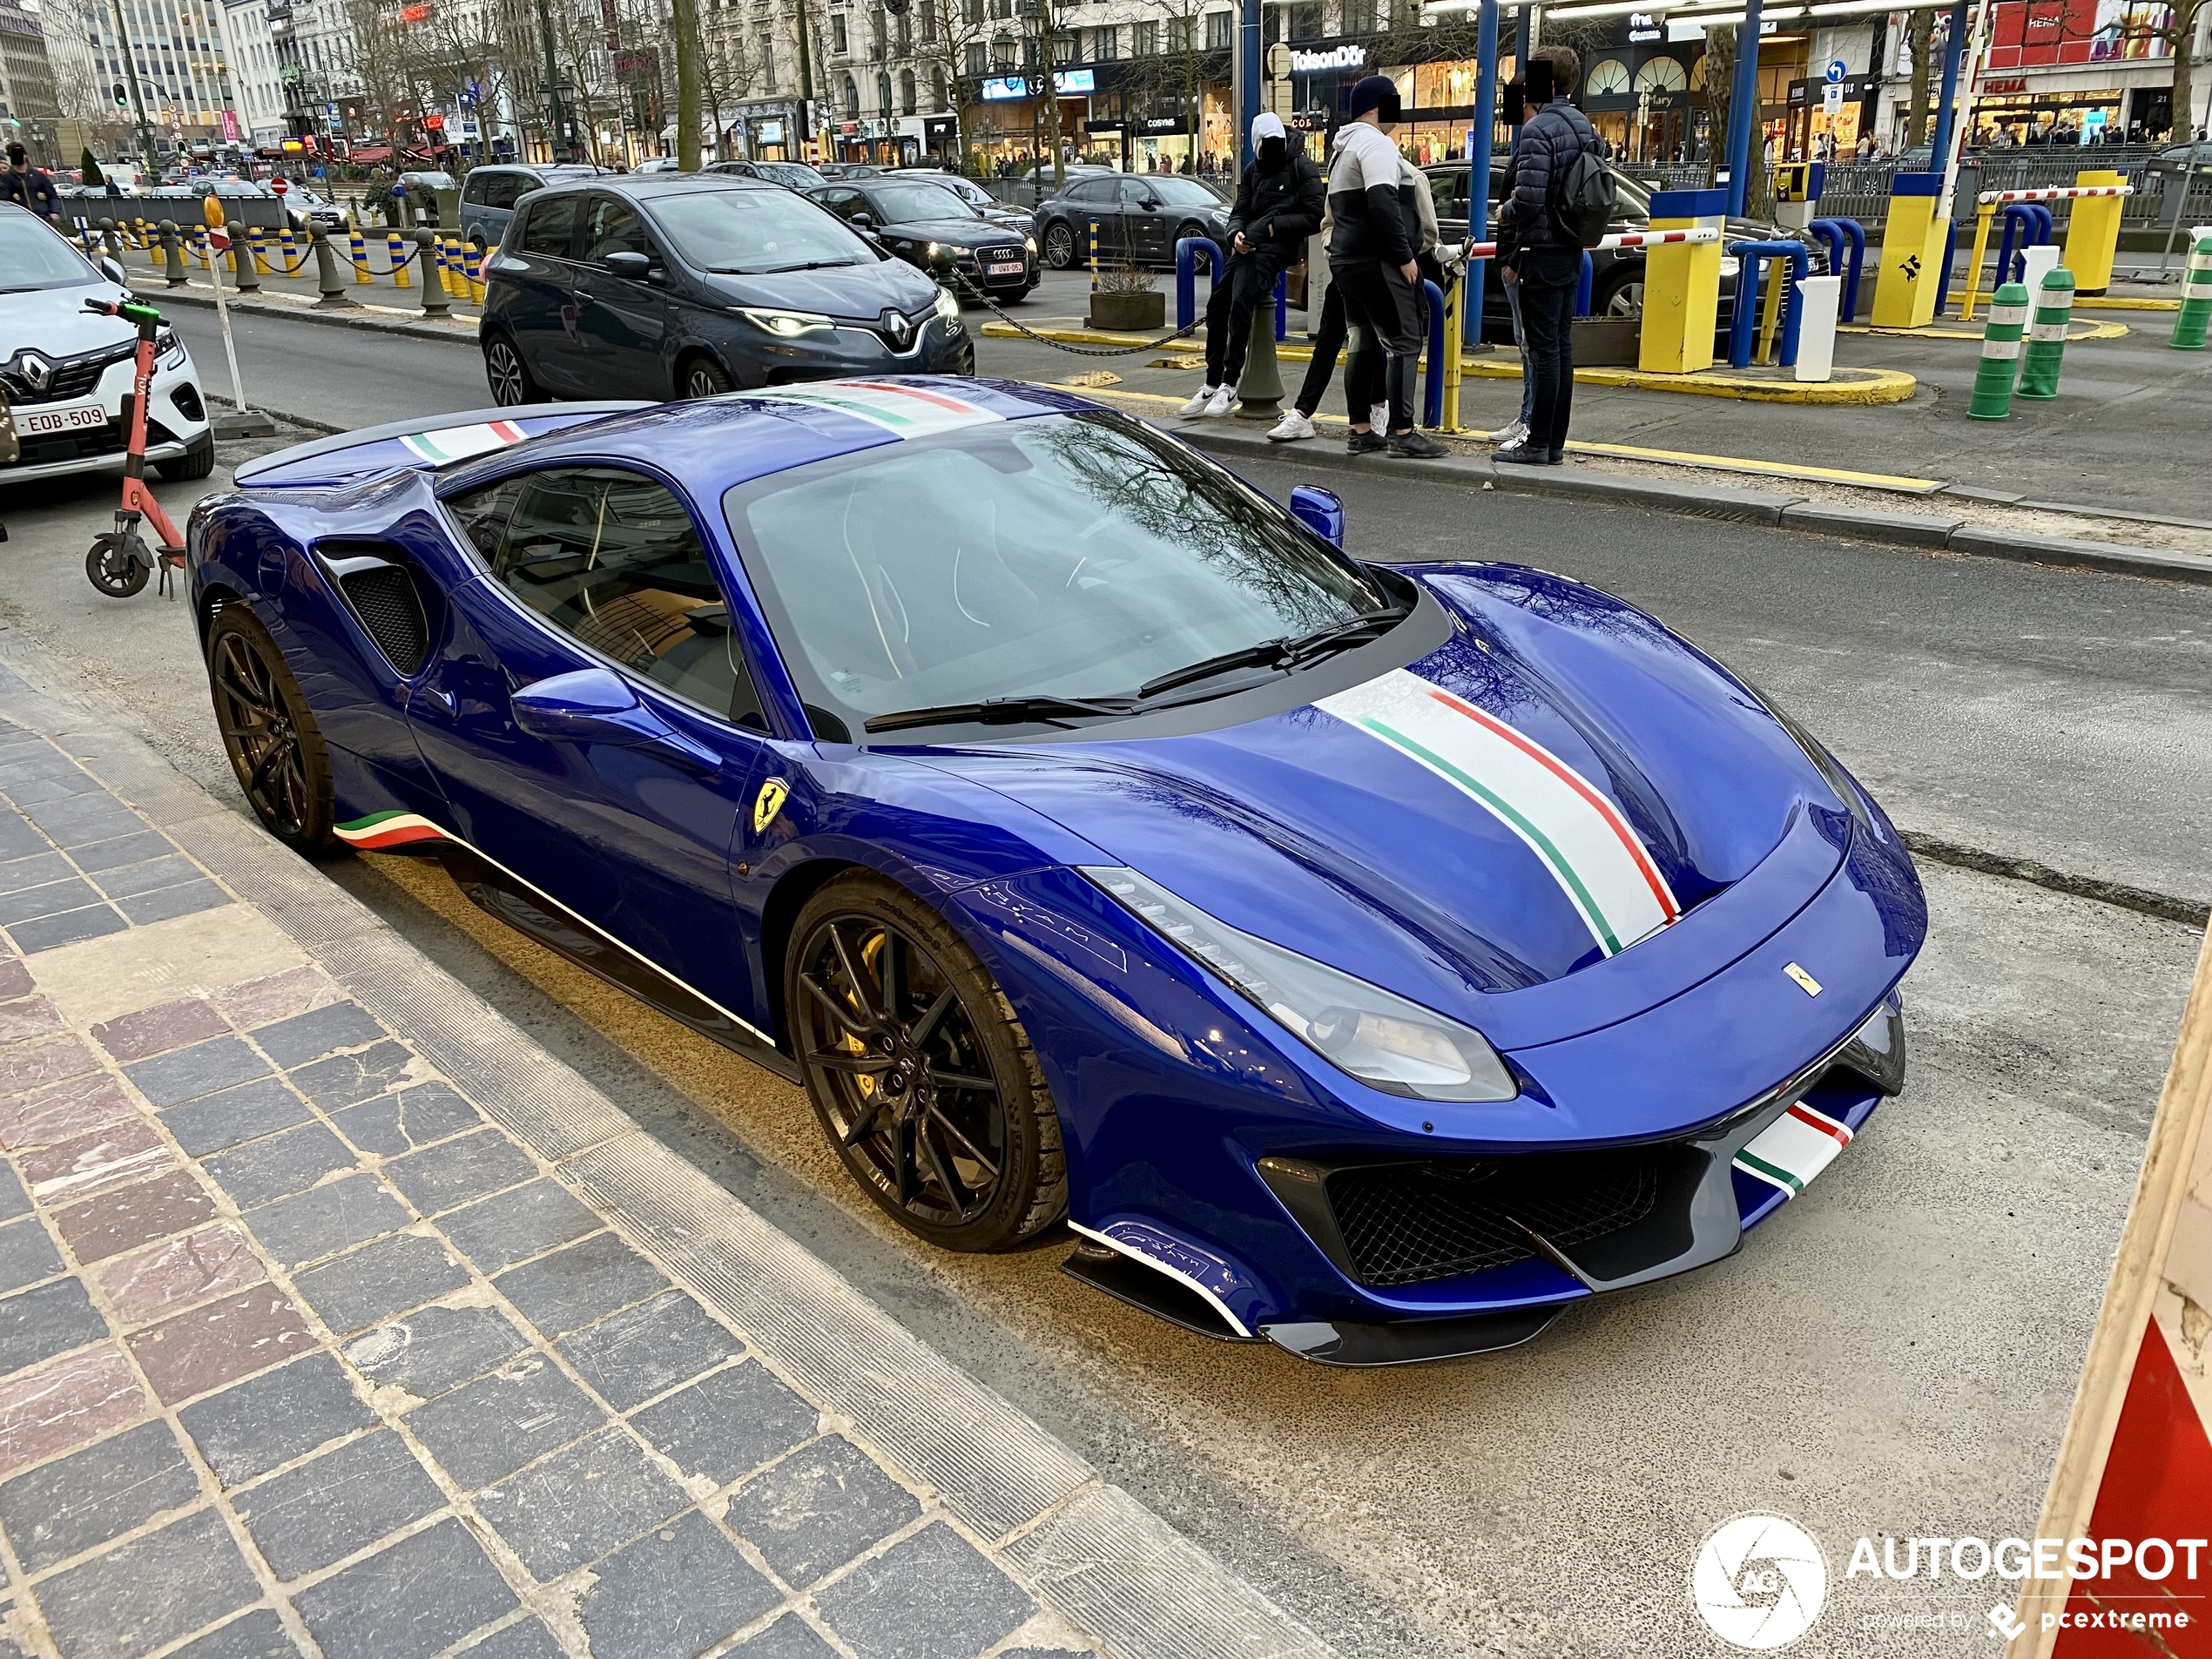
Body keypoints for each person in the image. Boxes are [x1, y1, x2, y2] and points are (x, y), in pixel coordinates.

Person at [1322, 75, 1447, 458]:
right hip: (1378, 260)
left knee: (1360, 340)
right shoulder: (1375, 143)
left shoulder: (1341, 148)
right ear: (1377, 106)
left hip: (1346, 260)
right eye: (1394, 102)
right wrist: (1405, 257)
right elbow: (1382, 202)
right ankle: (1403, 432)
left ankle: (1361, 429)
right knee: (1405, 342)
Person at [1494, 44, 1596, 467]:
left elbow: (1530, 201)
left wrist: (1505, 211)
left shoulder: (1539, 130)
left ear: (1546, 83)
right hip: (1571, 245)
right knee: (1561, 346)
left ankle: (1536, 442)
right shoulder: (1583, 124)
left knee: (1542, 350)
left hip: (1541, 246)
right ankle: (1554, 441)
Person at [1184, 114, 1324, 418]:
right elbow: (1240, 211)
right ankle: (1212, 381)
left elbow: (1315, 216)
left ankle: (1229, 382)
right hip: (1248, 246)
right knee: (1217, 304)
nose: (1269, 152)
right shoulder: (1252, 171)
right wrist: (1235, 235)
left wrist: (1273, 227)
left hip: (1276, 249)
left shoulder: (1302, 167)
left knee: (1240, 300)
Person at [1, 145, 60, 221]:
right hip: (20, 218)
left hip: (42, 217)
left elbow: (53, 196)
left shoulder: (38, 175)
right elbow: (4, 200)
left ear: (25, 155)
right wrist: (13, 198)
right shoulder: (7, 177)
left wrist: (54, 212)